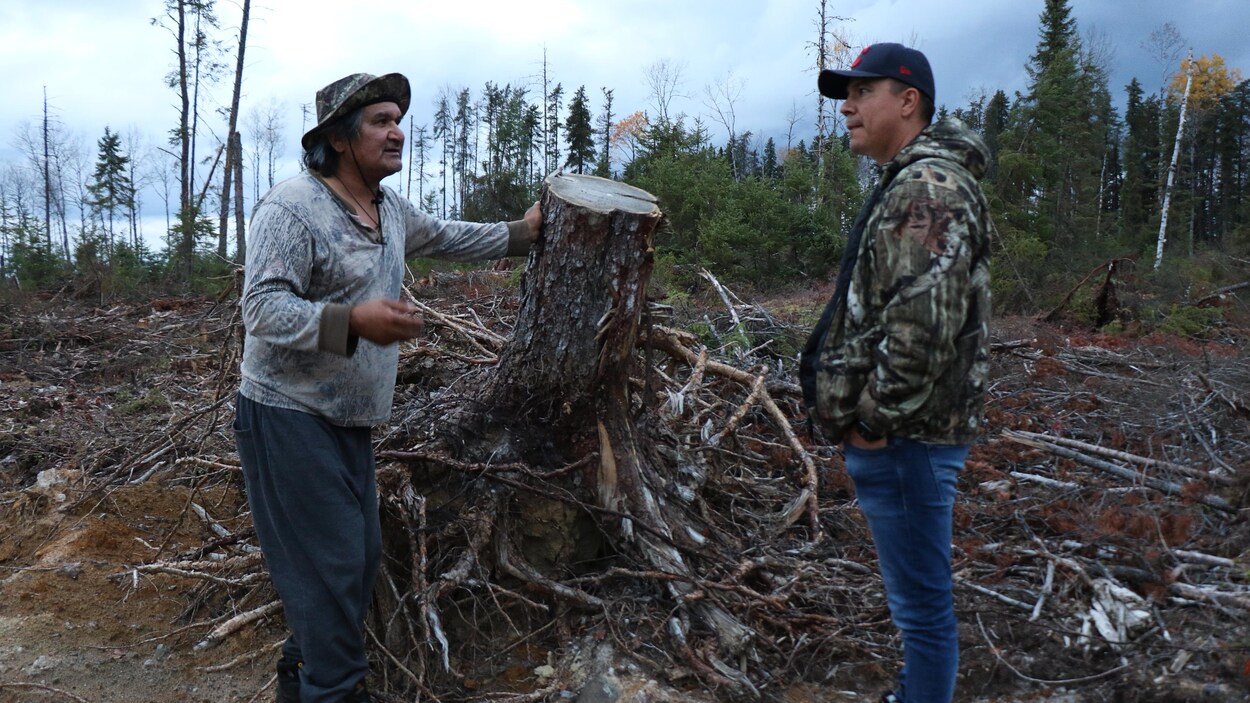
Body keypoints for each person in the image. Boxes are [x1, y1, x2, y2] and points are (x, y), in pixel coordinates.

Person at [233, 72, 540, 703]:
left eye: (398, 120)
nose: (397, 132)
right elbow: (261, 309)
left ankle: (301, 674)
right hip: (287, 414)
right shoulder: (293, 207)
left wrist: (522, 233)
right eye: (380, 121)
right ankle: (336, 690)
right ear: (339, 139)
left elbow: (451, 236)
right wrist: (354, 321)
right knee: (332, 564)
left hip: (350, 419)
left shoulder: (389, 209)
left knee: (359, 556)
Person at [799, 44, 994, 703]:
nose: (847, 107)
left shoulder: (927, 188)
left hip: (908, 439)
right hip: (907, 437)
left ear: (908, 101)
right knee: (917, 602)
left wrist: (874, 423)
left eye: (863, 91)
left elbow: (921, 328)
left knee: (922, 608)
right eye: (844, 95)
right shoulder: (912, 180)